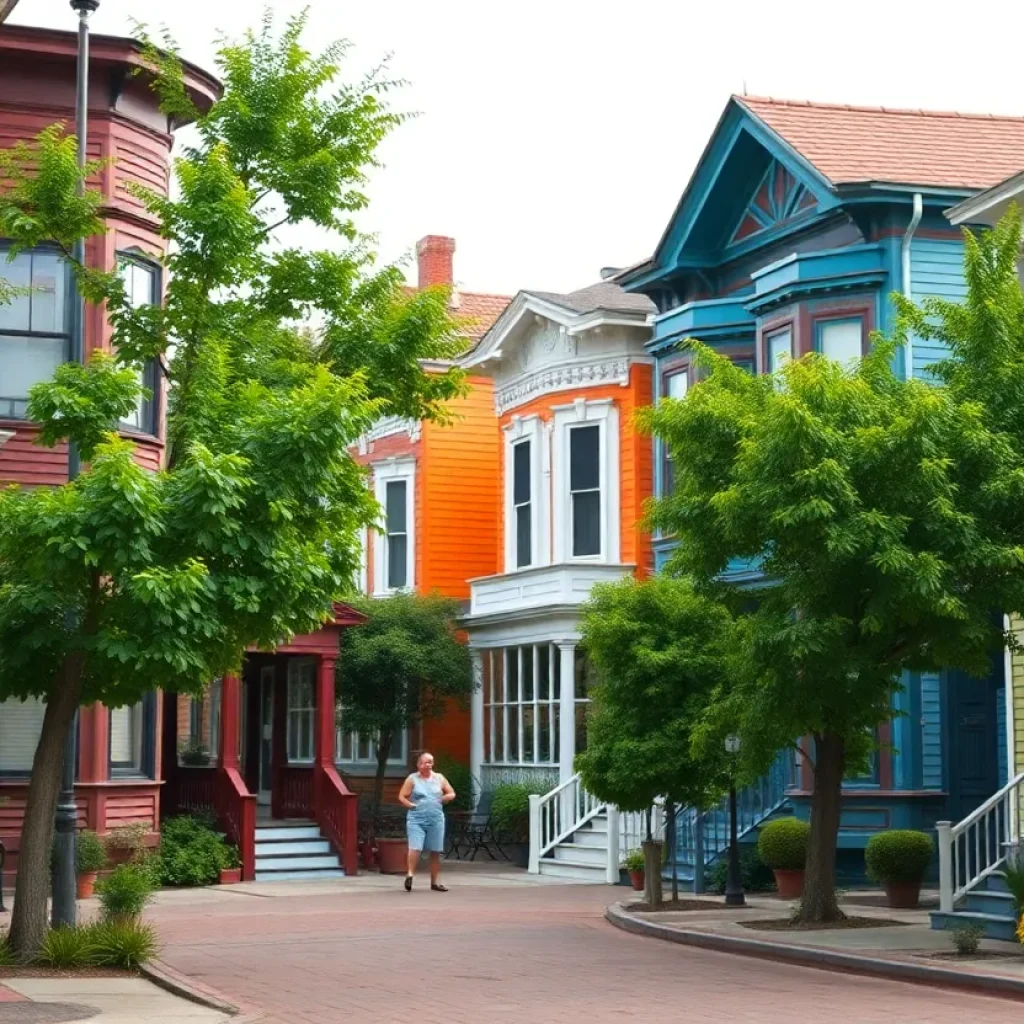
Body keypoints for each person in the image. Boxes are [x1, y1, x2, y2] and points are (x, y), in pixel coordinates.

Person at [398, 751, 456, 891]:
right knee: (415, 848)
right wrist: (409, 805)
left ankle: (435, 882)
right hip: (417, 818)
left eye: (430, 762)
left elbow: (451, 792)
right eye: (424, 762)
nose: (427, 765)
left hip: (436, 819)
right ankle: (410, 875)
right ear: (418, 765)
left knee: (436, 850)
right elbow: (402, 796)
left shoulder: (439, 778)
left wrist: (447, 797)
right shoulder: (412, 779)